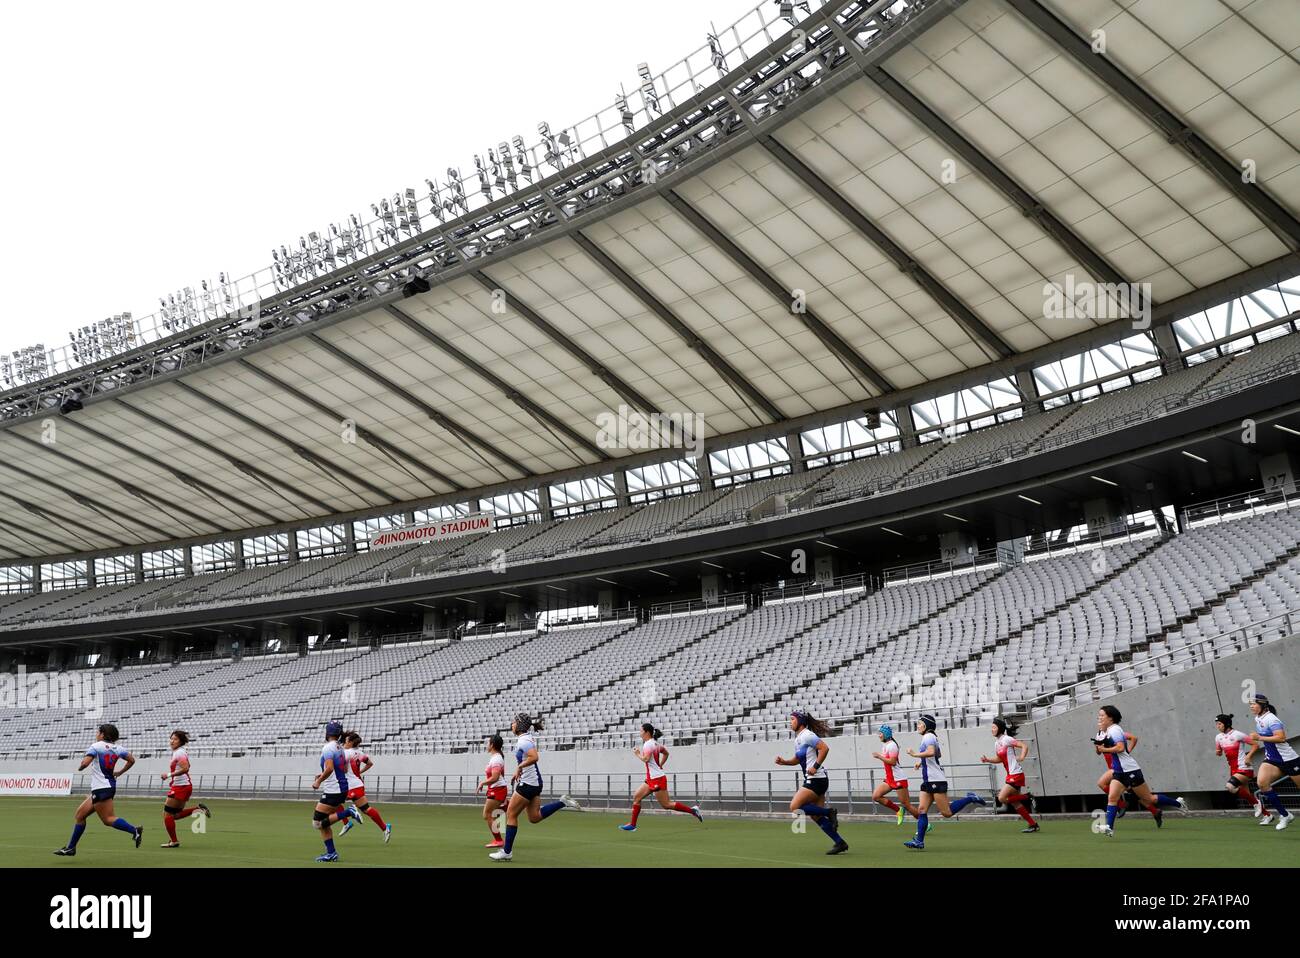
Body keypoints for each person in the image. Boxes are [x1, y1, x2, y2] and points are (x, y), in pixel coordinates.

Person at [489, 714, 582, 861]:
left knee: (511, 815)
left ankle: (506, 852)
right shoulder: (525, 738)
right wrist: (518, 770)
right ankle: (562, 802)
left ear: (519, 725)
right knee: (534, 817)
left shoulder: (524, 741)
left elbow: (534, 757)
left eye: (514, 722)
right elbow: (528, 759)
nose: (512, 724)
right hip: (534, 783)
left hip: (528, 784)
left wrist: (520, 766)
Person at [1095, 705, 1186, 837]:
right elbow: (1102, 750)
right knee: (1112, 797)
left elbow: (1120, 748)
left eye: (1102, 715)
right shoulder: (1106, 731)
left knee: (1148, 798)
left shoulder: (1115, 730)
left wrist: (1104, 749)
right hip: (1119, 772)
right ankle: (1109, 827)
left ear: (1110, 718)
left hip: (1130, 770)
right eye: (1099, 715)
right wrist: (1099, 746)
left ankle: (1178, 803)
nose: (1100, 717)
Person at [54, 723, 143, 856]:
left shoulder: (96, 746)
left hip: (101, 788)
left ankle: (134, 830)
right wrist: (119, 772)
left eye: (98, 732)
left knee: (108, 819)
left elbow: (85, 762)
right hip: (106, 787)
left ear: (102, 734)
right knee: (80, 815)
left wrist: (81, 767)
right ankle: (71, 848)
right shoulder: (118, 748)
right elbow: (131, 760)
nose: (96, 734)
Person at [903, 714, 987, 850]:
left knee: (946, 813)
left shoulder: (928, 736)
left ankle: (970, 798)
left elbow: (931, 752)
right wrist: (921, 762)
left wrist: (915, 755)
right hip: (928, 779)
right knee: (922, 809)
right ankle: (919, 841)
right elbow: (938, 754)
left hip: (936, 779)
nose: (917, 726)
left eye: (919, 724)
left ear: (926, 726)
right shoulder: (930, 737)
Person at [775, 710, 849, 855]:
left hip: (816, 779)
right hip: (816, 779)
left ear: (800, 722)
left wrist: (815, 767)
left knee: (795, 807)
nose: (790, 722)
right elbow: (798, 759)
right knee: (816, 816)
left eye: (792, 719)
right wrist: (784, 762)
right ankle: (840, 843)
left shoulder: (807, 735)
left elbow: (824, 748)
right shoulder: (798, 739)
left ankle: (830, 812)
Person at [619, 723, 702, 831]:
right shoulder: (655, 743)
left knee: (666, 805)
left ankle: (693, 811)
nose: (640, 733)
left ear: (647, 732)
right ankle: (633, 825)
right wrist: (660, 765)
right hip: (651, 778)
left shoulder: (648, 744)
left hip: (657, 778)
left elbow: (646, 759)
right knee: (636, 797)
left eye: (641, 731)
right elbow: (666, 753)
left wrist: (637, 753)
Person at [310, 720, 362, 862]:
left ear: (327, 733)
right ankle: (331, 853)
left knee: (317, 823)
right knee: (322, 823)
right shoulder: (340, 747)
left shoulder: (328, 748)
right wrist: (322, 775)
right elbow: (343, 769)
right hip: (341, 788)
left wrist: (319, 781)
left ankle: (348, 812)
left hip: (334, 790)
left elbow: (330, 768)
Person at [1248, 694, 1299, 831]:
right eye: (1250, 704)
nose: (1251, 706)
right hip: (1272, 759)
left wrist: (1259, 737)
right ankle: (1285, 815)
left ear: (1262, 705)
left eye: (1254, 704)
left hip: (1288, 759)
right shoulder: (1258, 718)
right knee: (1262, 783)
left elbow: (1281, 738)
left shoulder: (1271, 719)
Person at [979, 717, 1038, 833]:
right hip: (1011, 775)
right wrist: (988, 760)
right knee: (1015, 803)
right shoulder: (997, 743)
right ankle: (1033, 824)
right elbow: (999, 759)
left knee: (1002, 798)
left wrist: (1021, 757)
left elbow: (1024, 746)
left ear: (999, 728)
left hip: (1016, 774)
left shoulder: (1007, 739)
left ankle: (1028, 796)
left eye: (994, 727)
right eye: (991, 727)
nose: (992, 729)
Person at [160, 729, 211, 848]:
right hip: (183, 786)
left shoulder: (179, 753)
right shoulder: (180, 751)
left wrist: (168, 775)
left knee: (167, 815)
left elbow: (186, 768)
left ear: (181, 741)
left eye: (175, 739)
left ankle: (174, 841)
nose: (172, 741)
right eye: (171, 738)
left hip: (181, 786)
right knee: (175, 815)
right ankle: (198, 810)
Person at [338, 732, 391, 843]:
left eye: (346, 741)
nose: (344, 743)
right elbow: (370, 763)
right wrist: (359, 772)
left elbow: (344, 769)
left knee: (334, 802)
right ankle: (385, 827)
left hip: (350, 786)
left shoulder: (346, 753)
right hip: (358, 784)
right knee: (366, 809)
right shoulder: (359, 752)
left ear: (350, 742)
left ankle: (347, 822)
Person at [1213, 713, 1262, 819]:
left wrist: (1248, 756)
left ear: (1226, 724)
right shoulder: (1218, 737)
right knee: (1245, 794)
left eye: (1220, 724)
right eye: (1216, 724)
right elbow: (1219, 751)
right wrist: (1218, 752)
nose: (1218, 726)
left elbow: (1255, 745)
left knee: (1230, 787)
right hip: (1233, 769)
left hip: (1244, 767)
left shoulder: (1238, 734)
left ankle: (1257, 803)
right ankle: (1267, 815)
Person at [870, 725, 921, 826]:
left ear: (886, 734)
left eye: (880, 733)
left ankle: (925, 823)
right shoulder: (885, 745)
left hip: (898, 779)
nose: (879, 736)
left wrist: (879, 756)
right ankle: (898, 811)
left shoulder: (892, 745)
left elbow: (892, 762)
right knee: (876, 796)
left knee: (907, 805)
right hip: (890, 779)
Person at [478, 734, 509, 848]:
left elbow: (495, 777)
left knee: (487, 814)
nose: (487, 745)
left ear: (492, 745)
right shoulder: (496, 757)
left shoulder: (496, 759)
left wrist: (483, 783)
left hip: (497, 790)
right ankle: (507, 806)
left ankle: (499, 840)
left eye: (488, 743)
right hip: (497, 789)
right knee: (494, 814)